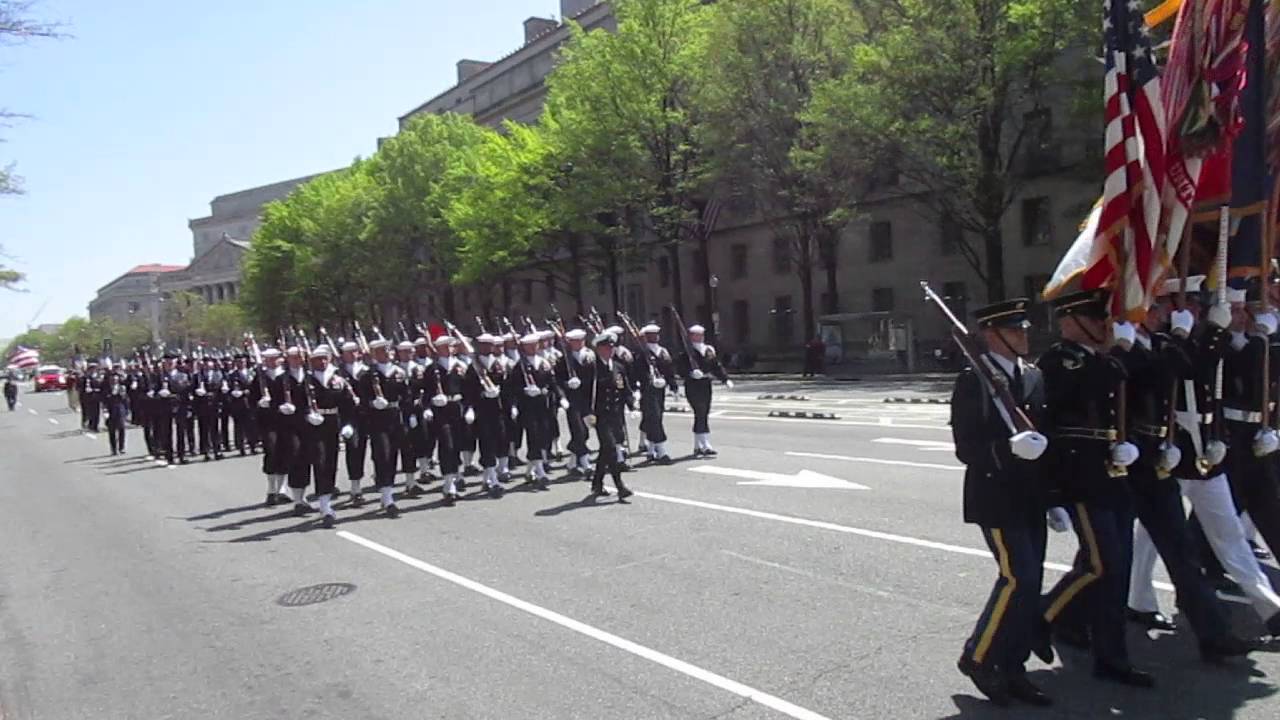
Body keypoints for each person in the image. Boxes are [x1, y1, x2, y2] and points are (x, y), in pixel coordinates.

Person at [1117, 276, 1261, 662]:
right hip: (1143, 459)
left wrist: (1217, 330)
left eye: (1186, 308)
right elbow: (1158, 376)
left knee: (1184, 550)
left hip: (1174, 457)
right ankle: (1059, 617)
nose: (1172, 313)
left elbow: (1195, 370)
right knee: (1109, 555)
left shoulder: (1163, 343)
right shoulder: (1128, 348)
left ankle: (1218, 633)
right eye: (1162, 307)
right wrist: (1200, 333)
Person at [1037, 288, 1148, 687]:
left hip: (1113, 472)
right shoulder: (1059, 359)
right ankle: (1044, 615)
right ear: (1070, 322)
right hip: (1080, 477)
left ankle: (1110, 656)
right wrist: (1115, 352)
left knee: (1115, 571)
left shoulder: (1105, 358)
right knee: (1105, 564)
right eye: (1096, 319)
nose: (1104, 325)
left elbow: (1143, 384)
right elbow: (1083, 390)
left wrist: (1128, 442)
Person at [950, 298, 1051, 707]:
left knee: (1031, 584)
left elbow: (1045, 440)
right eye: (1015, 330)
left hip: (1031, 496)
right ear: (991, 335)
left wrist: (1055, 496)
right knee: (1018, 578)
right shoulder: (973, 381)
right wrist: (1007, 450)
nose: (1023, 335)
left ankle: (1013, 665)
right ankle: (978, 656)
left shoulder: (1034, 376)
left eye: (1024, 329)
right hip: (995, 496)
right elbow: (967, 447)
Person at [356, 337, 410, 517]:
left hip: (395, 418)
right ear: (375, 354)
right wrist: (372, 403)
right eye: (382, 351)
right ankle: (387, 497)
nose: (386, 353)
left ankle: (388, 492)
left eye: (388, 350)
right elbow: (361, 401)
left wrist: (408, 411)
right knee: (383, 455)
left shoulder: (398, 372)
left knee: (393, 456)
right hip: (377, 421)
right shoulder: (368, 375)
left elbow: (407, 395)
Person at [585, 331, 635, 501]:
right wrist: (587, 413)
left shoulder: (618, 367)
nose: (610, 350)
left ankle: (597, 483)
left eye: (611, 347)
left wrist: (632, 403)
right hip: (600, 415)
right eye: (606, 347)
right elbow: (585, 393)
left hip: (615, 414)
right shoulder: (592, 368)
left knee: (606, 450)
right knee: (611, 448)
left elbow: (624, 388)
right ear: (598, 349)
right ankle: (620, 486)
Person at [677, 324, 732, 456]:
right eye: (696, 334)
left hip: (705, 384)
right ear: (690, 336)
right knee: (700, 412)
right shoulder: (685, 351)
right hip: (693, 385)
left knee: (703, 413)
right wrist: (690, 373)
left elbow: (716, 366)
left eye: (701, 334)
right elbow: (679, 368)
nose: (700, 337)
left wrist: (725, 379)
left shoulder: (708, 350)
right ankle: (706, 444)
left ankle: (697, 445)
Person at [556, 328, 596, 476]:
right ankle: (586, 465)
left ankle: (572, 462)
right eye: (574, 341)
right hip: (573, 401)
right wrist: (565, 388)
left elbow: (596, 377)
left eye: (580, 341)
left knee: (585, 432)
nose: (577, 344)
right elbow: (557, 380)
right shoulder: (563, 359)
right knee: (578, 430)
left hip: (588, 399)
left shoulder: (591, 357)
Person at [636, 323, 677, 463]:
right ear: (646, 337)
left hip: (660, 390)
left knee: (656, 419)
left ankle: (651, 450)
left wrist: (673, 386)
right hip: (648, 390)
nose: (655, 337)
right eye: (651, 335)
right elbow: (637, 372)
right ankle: (661, 451)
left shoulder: (663, 351)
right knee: (655, 417)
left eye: (656, 334)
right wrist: (648, 380)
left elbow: (669, 370)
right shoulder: (642, 353)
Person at [335, 342, 368, 504]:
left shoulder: (367, 370)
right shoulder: (337, 372)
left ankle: (382, 481)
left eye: (355, 351)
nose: (353, 354)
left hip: (369, 415)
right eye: (349, 352)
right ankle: (356, 487)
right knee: (354, 449)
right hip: (349, 418)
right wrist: (343, 423)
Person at [102, 363, 130, 455]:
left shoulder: (122, 388)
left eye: (116, 379)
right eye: (112, 379)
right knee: (112, 430)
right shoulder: (106, 389)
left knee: (122, 428)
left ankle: (121, 447)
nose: (114, 380)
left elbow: (126, 400)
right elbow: (104, 400)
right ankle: (113, 448)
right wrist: (105, 411)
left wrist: (127, 411)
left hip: (120, 410)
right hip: (110, 410)